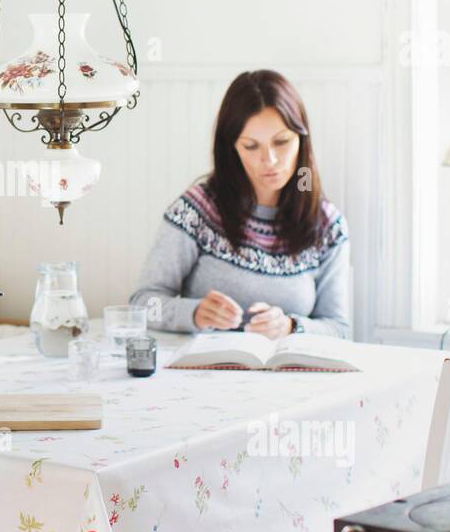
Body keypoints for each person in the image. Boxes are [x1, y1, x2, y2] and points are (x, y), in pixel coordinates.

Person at [130, 69, 351, 340]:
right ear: (231, 147)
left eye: (281, 142)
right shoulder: (195, 211)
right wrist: (195, 313)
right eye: (251, 146)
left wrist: (291, 327)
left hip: (290, 376)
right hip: (204, 375)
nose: (269, 160)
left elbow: (339, 329)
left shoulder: (328, 225)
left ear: (301, 140)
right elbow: (143, 303)